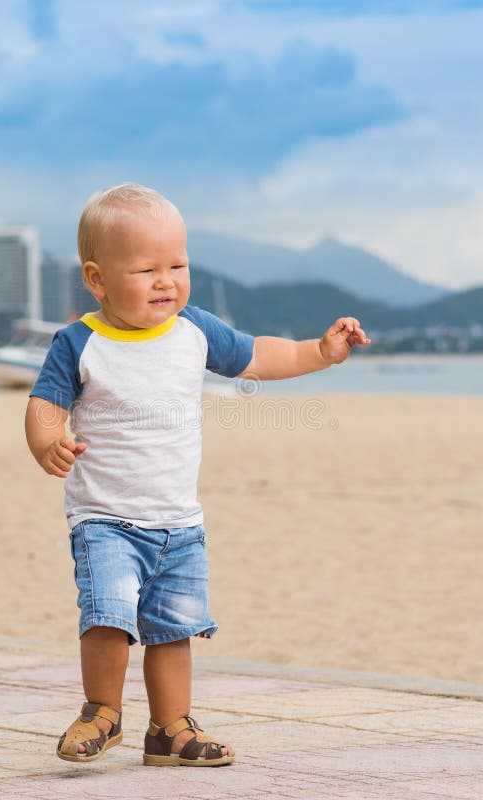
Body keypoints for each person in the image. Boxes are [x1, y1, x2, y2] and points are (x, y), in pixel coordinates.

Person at [25, 183, 371, 767]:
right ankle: (102, 712)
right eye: (146, 269)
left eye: (178, 265)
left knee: (172, 628)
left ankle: (170, 729)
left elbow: (259, 355)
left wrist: (319, 350)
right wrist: (46, 441)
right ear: (97, 278)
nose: (166, 281)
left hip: (179, 521)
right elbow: (44, 402)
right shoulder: (80, 342)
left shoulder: (194, 330)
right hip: (103, 517)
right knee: (107, 614)